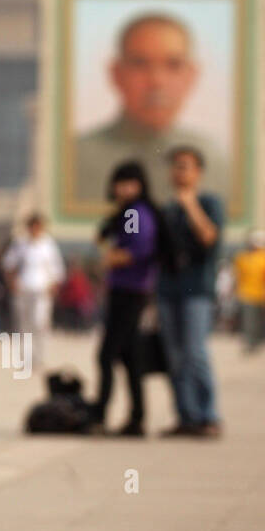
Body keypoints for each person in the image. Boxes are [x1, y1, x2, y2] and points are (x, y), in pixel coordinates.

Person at [73, 14, 228, 205]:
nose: (157, 81)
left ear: (191, 75)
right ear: (116, 74)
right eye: (140, 63)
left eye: (173, 65)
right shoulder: (75, 159)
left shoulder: (216, 162)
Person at [89, 161, 162, 437]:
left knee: (106, 354)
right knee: (130, 356)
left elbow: (138, 249)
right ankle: (137, 418)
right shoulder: (128, 213)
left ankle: (99, 415)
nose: (122, 188)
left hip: (129, 291)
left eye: (128, 183)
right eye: (119, 182)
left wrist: (111, 257)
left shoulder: (134, 213)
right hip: (130, 290)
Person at [157, 146, 224, 438]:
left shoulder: (209, 202)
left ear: (198, 172)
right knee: (174, 355)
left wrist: (190, 205)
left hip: (196, 289)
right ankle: (186, 415)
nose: (179, 171)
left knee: (195, 352)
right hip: (168, 289)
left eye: (185, 166)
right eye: (175, 166)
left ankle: (208, 416)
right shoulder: (166, 209)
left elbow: (209, 237)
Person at [2, 213, 65, 366]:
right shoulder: (20, 243)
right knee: (24, 324)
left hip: (42, 289)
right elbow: (8, 264)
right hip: (23, 288)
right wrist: (12, 283)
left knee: (40, 322)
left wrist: (54, 286)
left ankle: (40, 356)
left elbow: (57, 268)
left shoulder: (48, 244)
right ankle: (26, 357)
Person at [233, 231, 265, 354]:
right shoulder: (242, 257)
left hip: (263, 294)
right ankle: (250, 343)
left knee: (260, 322)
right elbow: (237, 275)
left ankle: (258, 342)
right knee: (249, 322)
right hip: (246, 294)